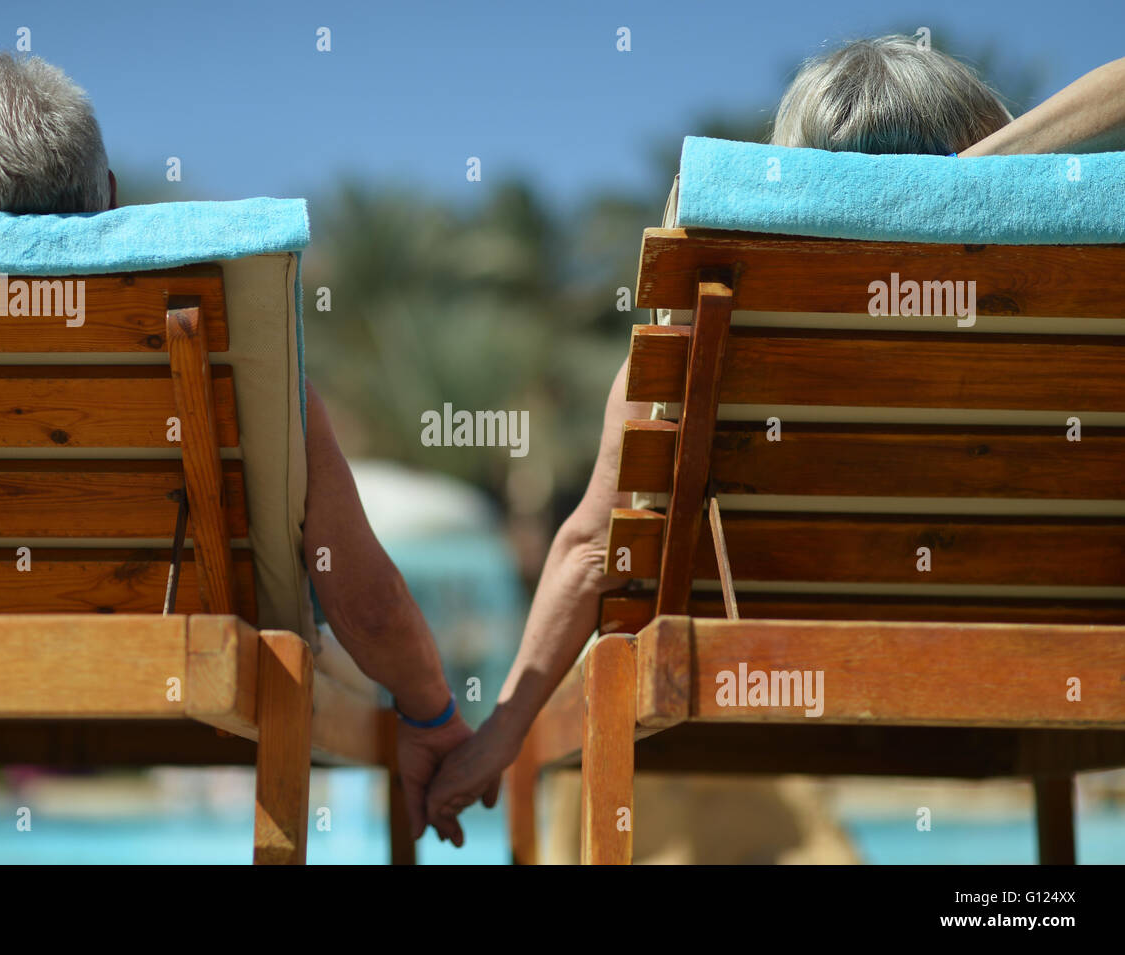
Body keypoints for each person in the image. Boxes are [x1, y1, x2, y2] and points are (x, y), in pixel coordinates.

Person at [424, 35, 1125, 843]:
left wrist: (497, 734)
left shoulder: (713, 310)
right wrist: (974, 187)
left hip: (766, 656)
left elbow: (590, 543)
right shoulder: (1078, 303)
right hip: (1045, 647)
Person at [0, 50, 481, 842]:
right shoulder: (235, 351)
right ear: (106, 198)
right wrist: (432, 713)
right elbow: (364, 599)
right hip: (189, 658)